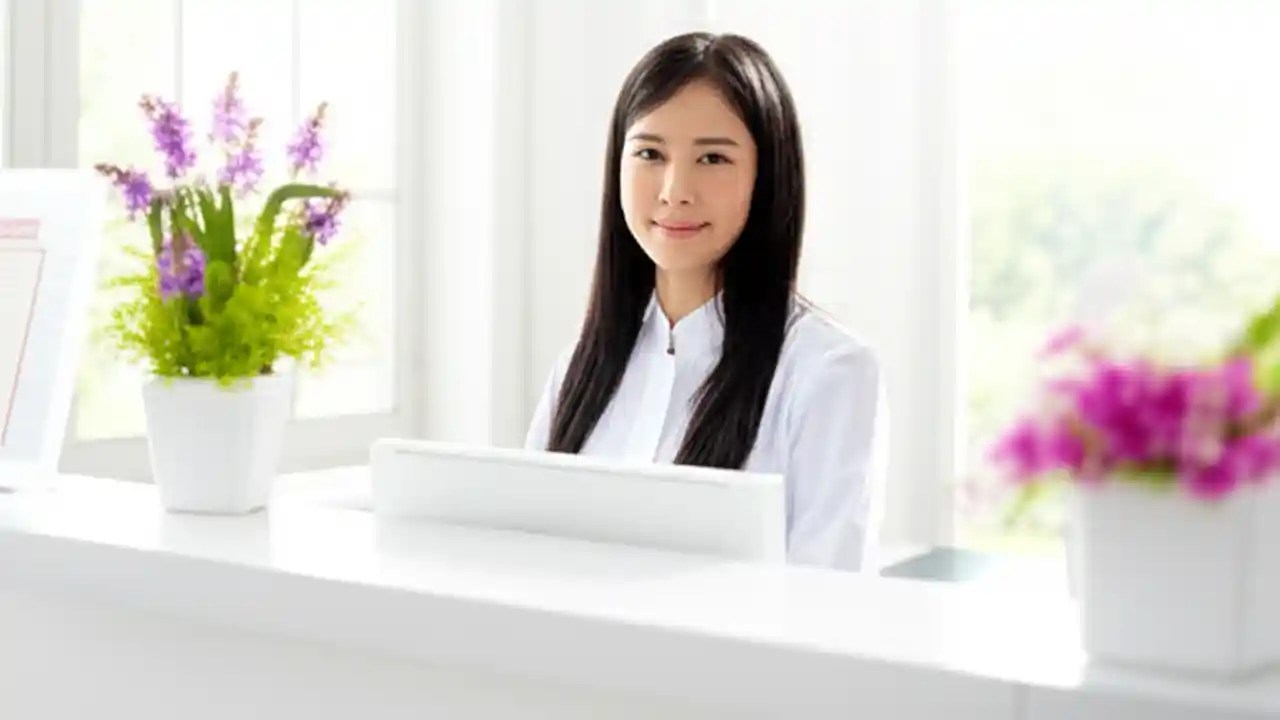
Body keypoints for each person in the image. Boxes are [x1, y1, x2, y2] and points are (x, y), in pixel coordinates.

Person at [524, 31, 889, 573]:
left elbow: (827, 607)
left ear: (765, 176)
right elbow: (522, 557)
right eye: (650, 153)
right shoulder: (583, 365)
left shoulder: (828, 372)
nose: (675, 189)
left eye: (713, 158)